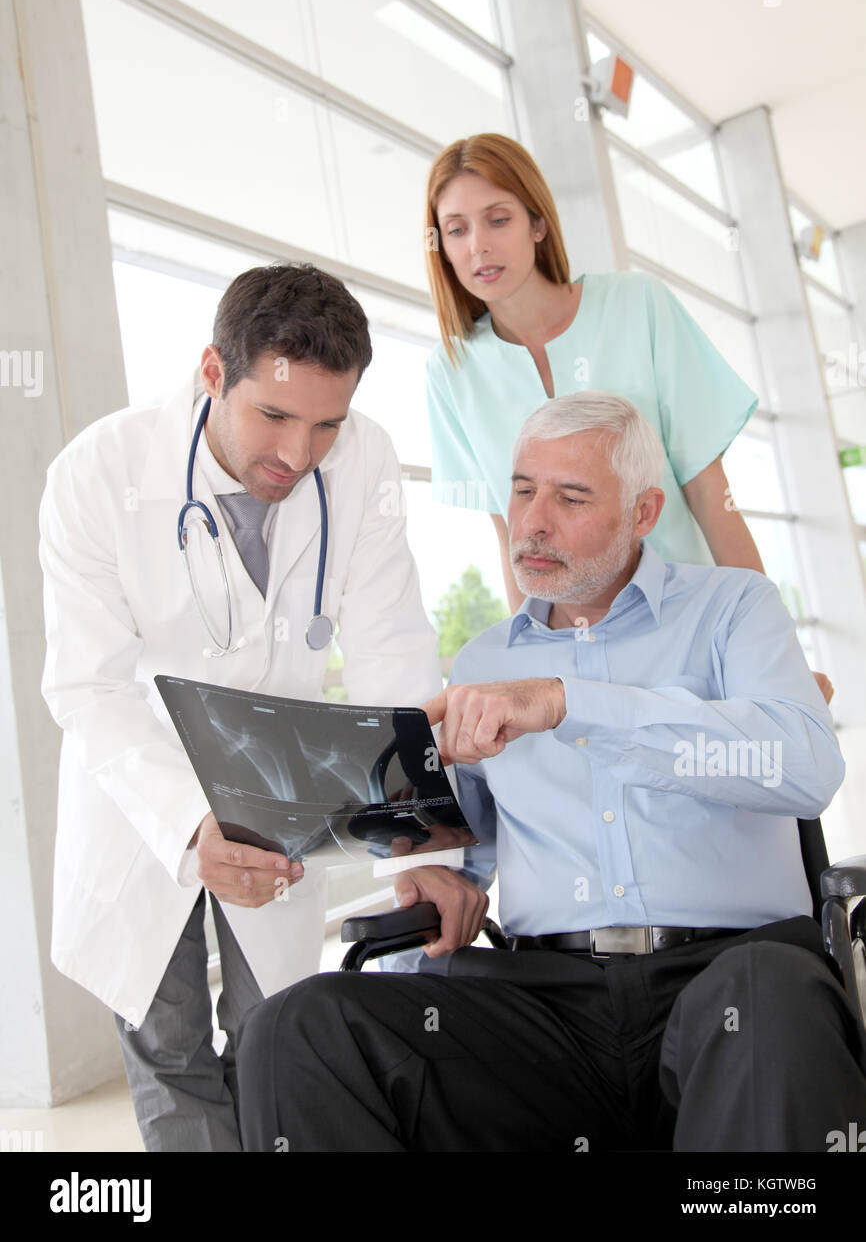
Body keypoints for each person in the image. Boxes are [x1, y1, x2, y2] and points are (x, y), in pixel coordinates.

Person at [234, 392, 866, 1152]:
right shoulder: (484, 663)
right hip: (547, 1009)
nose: (533, 522)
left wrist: (571, 704)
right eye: (523, 489)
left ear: (643, 513)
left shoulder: (733, 610)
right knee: (296, 1027)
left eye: (570, 497)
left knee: (768, 999)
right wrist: (443, 873)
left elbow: (804, 765)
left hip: (731, 978)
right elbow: (460, 847)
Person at [38, 262, 442, 1152]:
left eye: (325, 424)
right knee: (170, 1049)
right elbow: (88, 687)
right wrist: (188, 828)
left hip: (279, 796)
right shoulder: (98, 474)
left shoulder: (364, 458)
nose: (298, 456)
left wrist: (419, 839)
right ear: (213, 372)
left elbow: (391, 652)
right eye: (275, 416)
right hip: (143, 803)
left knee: (280, 1042)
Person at [423, 132, 834, 702]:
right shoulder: (451, 372)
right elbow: (509, 538)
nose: (478, 248)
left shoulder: (639, 306)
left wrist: (775, 653)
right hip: (576, 663)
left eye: (498, 220)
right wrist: (534, 669)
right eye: (457, 229)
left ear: (537, 224)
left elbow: (712, 495)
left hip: (692, 630)